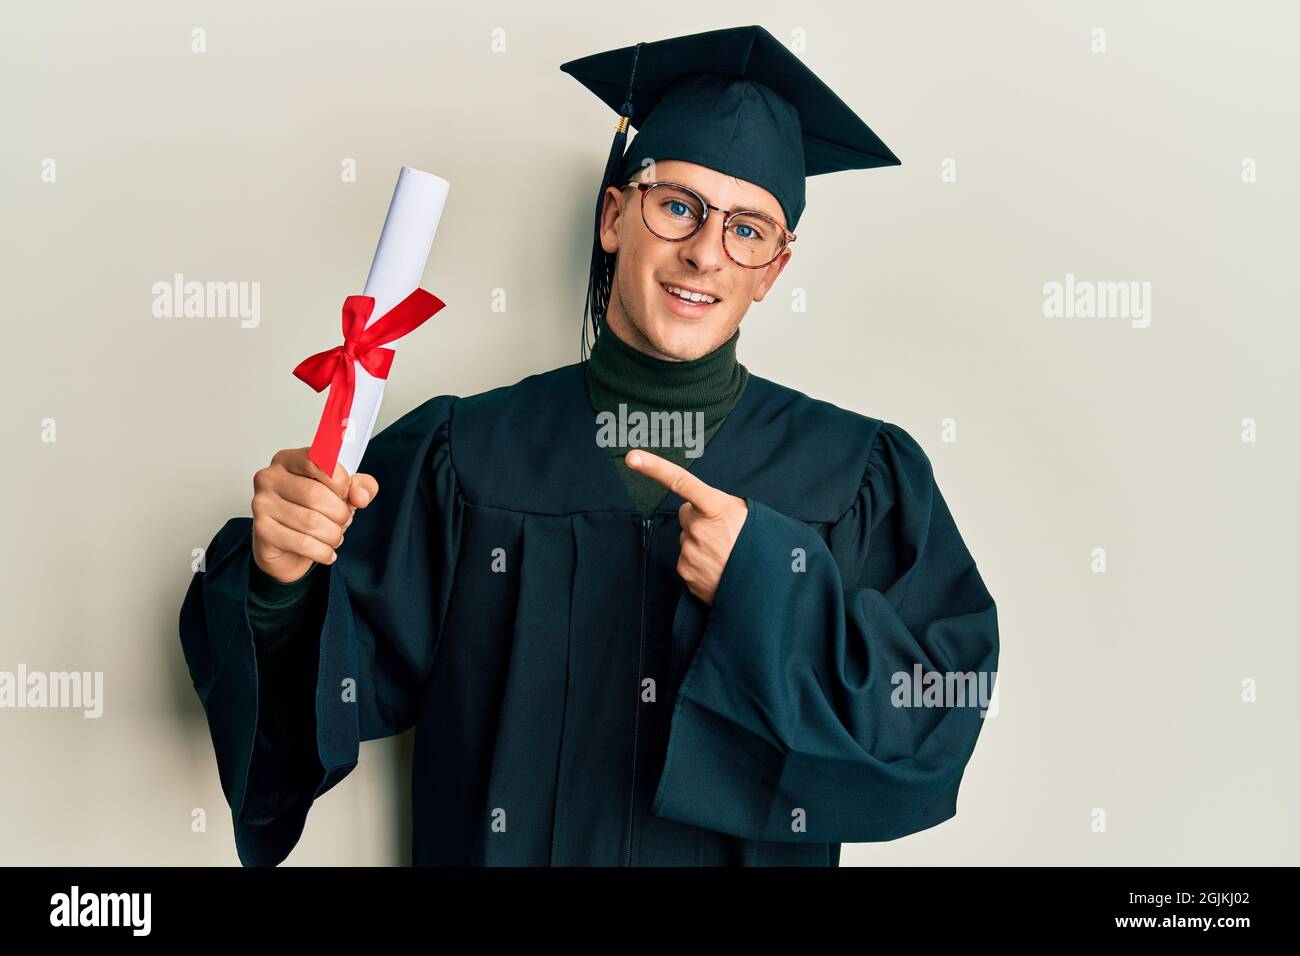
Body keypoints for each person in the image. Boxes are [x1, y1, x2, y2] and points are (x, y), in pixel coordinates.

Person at [178, 24, 1000, 867]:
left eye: (748, 230)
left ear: (773, 269)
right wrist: (280, 580)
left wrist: (769, 583)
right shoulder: (464, 459)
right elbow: (332, 695)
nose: (706, 253)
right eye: (677, 205)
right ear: (615, 216)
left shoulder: (857, 474)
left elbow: (930, 724)